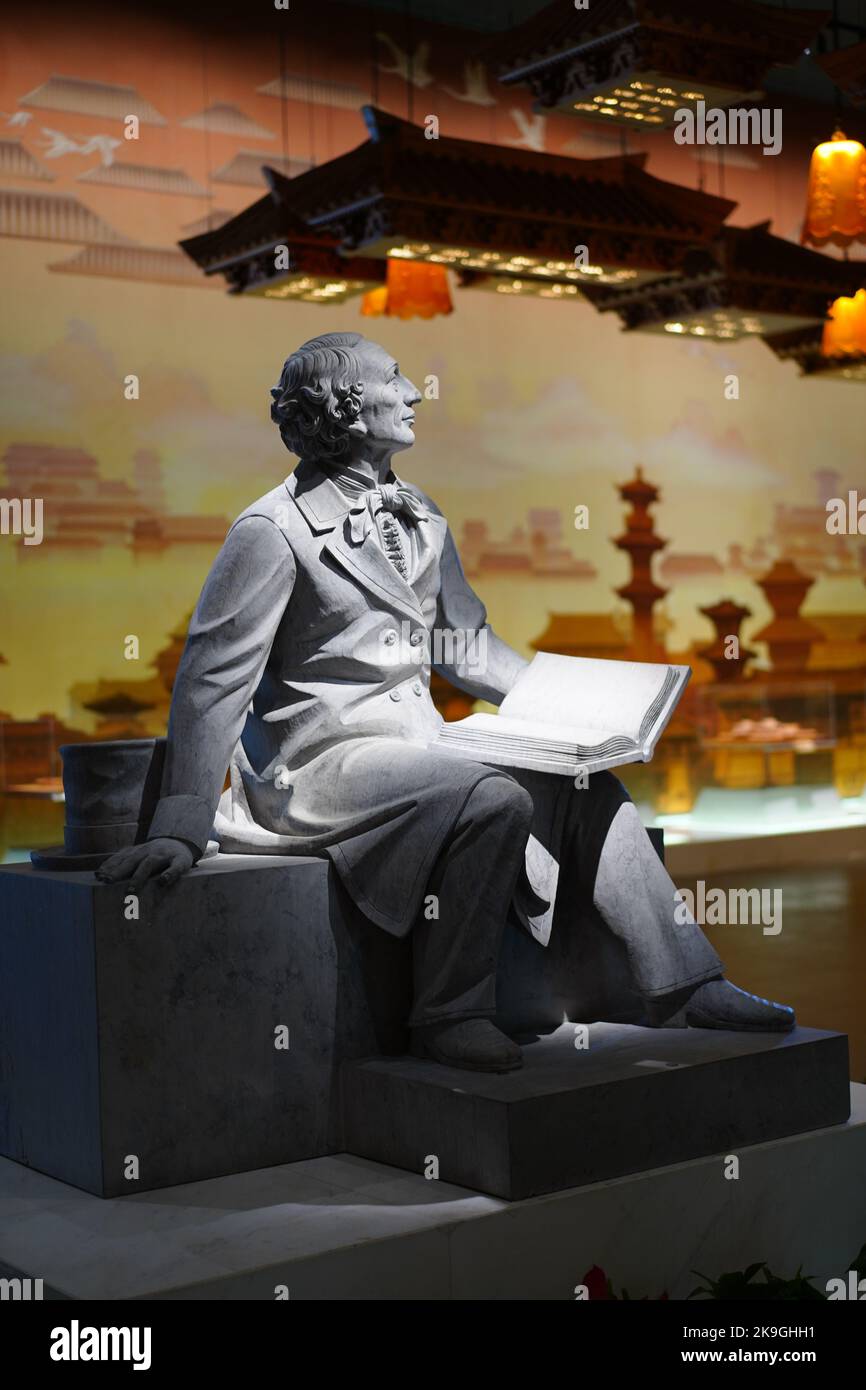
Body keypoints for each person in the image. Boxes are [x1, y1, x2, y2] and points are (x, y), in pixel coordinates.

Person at [97, 332, 794, 1072]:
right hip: (320, 766)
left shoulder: (423, 516)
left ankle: (685, 985)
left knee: (588, 788)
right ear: (345, 406)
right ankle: (450, 1012)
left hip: (419, 745)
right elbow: (213, 681)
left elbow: (470, 648)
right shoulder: (272, 532)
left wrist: (575, 710)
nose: (414, 392)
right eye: (394, 379)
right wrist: (180, 824)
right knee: (491, 799)